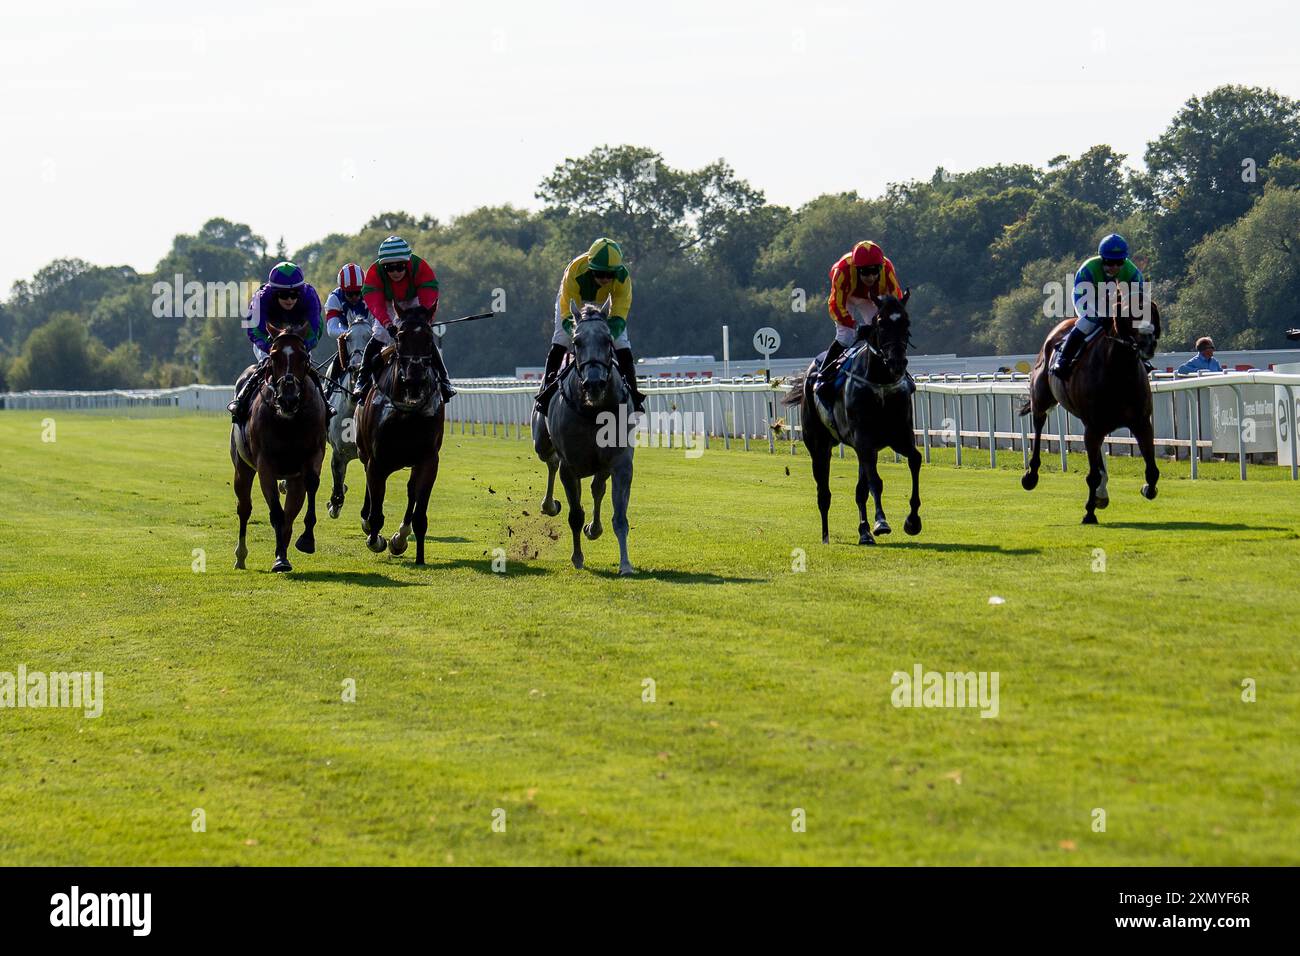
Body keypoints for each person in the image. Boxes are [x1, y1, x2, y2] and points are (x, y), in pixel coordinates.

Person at [535, 237, 643, 414]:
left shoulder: (623, 278)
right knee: (561, 340)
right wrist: (579, 334)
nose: (606, 278)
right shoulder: (576, 270)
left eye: (610, 274)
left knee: (622, 345)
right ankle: (546, 392)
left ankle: (635, 396)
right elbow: (567, 312)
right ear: (591, 268)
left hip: (607, 306)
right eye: (600, 273)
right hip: (575, 304)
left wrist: (606, 336)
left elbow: (619, 315)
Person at [351, 236, 456, 402]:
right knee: (379, 335)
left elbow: (429, 292)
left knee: (421, 335)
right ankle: (362, 381)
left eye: (399, 267)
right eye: (389, 268)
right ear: (382, 267)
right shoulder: (374, 274)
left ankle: (444, 380)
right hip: (387, 302)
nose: (395, 272)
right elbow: (376, 303)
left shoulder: (419, 266)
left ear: (407, 263)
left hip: (415, 299)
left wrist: (423, 316)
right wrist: (387, 324)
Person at [228, 261, 329, 423]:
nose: (289, 299)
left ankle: (326, 404)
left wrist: (303, 348)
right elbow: (253, 330)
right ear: (274, 293)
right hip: (269, 339)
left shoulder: (309, 295)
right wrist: (272, 349)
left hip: (298, 339)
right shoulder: (262, 298)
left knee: (307, 367)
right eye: (283, 295)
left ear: (300, 292)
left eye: (294, 294)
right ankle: (241, 401)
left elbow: (315, 330)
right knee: (265, 365)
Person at [816, 240, 907, 406]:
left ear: (881, 267)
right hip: (847, 297)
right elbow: (836, 305)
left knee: (880, 332)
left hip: (872, 298)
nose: (871, 277)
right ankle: (824, 375)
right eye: (865, 272)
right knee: (846, 337)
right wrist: (854, 325)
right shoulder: (842, 271)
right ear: (857, 269)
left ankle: (898, 372)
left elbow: (895, 301)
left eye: (875, 271)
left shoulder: (887, 269)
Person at [1051, 233, 1147, 379]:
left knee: (1133, 323)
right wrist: (1103, 312)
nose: (1114, 267)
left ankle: (1142, 359)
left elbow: (1137, 300)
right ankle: (1064, 358)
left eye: (1119, 262)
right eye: (1109, 262)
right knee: (1090, 320)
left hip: (1115, 302)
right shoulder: (1088, 268)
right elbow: (1084, 295)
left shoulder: (1133, 273)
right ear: (1102, 258)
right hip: (1086, 298)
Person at [323, 262, 370, 383]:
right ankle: (330, 388)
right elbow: (332, 329)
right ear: (342, 290)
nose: (355, 297)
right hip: (348, 339)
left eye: (358, 292)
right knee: (337, 363)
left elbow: (378, 322)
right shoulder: (334, 298)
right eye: (350, 293)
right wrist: (350, 333)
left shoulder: (371, 294)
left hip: (368, 336)